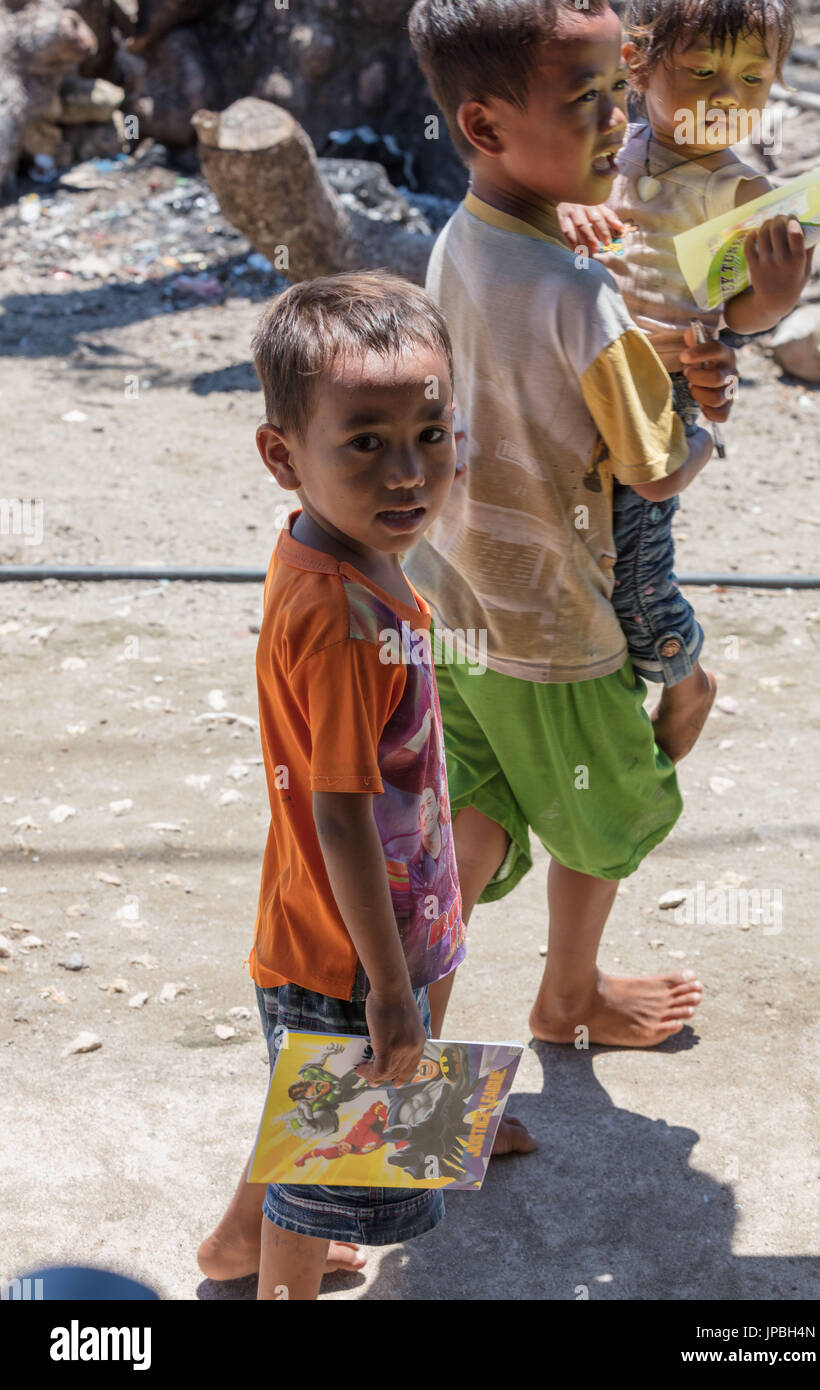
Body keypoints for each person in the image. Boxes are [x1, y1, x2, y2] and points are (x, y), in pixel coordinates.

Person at [405, 0, 739, 1057]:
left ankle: (403, 1057)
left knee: (475, 814)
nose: (615, 120)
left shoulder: (460, 239)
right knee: (611, 802)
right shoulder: (581, 296)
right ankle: (567, 1000)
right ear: (486, 125)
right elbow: (651, 471)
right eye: (584, 99)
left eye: (616, 91)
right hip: (551, 622)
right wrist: (708, 418)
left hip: (449, 595)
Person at [198, 271, 465, 1300]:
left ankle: (235, 1242)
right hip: (345, 950)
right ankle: (280, 1284)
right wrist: (388, 986)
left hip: (364, 921)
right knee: (327, 1166)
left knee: (309, 1115)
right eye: (364, 442)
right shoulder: (349, 616)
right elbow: (342, 811)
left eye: (430, 434)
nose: (408, 473)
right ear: (281, 455)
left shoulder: (332, 547)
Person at [557, 0, 811, 761]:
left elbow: (744, 313)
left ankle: (682, 670)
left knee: (635, 558)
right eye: (701, 72)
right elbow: (551, 203)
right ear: (636, 64)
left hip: (658, 386)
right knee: (580, 541)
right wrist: (571, 209)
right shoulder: (610, 150)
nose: (726, 97)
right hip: (579, 374)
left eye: (752, 78)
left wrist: (783, 286)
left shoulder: (738, 192)